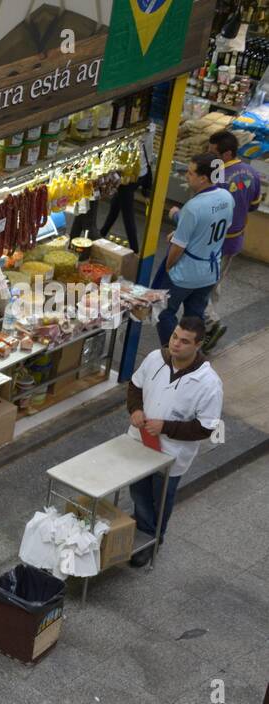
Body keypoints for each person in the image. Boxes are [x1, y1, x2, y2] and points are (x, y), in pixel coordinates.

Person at [125, 315, 224, 566]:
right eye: (174, 337)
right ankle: (141, 527)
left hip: (171, 453)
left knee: (161, 498)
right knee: (137, 489)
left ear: (198, 345)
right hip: (140, 441)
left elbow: (207, 427)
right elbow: (135, 386)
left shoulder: (209, 383)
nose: (176, 344)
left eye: (184, 341)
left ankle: (152, 538)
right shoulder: (155, 359)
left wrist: (166, 427)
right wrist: (135, 410)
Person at [154, 153, 233, 347]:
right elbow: (217, 228)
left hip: (186, 274)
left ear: (204, 178)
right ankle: (192, 351)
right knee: (194, 317)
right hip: (210, 272)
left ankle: (173, 350)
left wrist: (168, 267)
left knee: (163, 311)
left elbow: (178, 247)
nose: (186, 176)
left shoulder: (193, 207)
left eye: (190, 173)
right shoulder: (226, 197)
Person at [204, 130, 262, 350]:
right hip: (234, 240)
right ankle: (207, 319)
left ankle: (211, 322)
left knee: (202, 284)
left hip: (213, 241)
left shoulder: (217, 176)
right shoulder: (252, 173)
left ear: (226, 154)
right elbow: (254, 205)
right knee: (215, 282)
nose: (209, 156)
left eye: (212, 152)